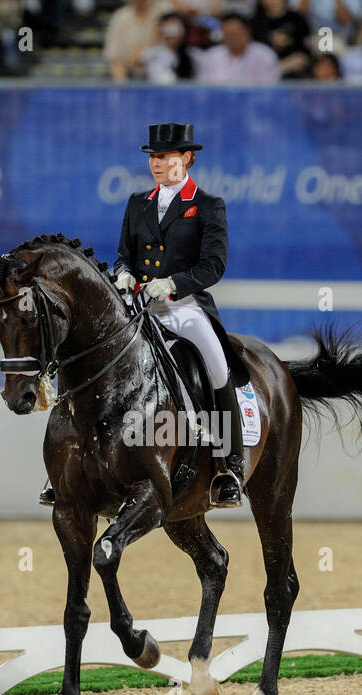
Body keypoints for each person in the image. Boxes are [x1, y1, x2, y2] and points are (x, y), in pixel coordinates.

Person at [40, 123, 243, 509]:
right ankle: (67, 466)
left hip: (183, 308)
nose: (156, 163)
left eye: (164, 156)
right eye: (152, 156)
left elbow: (213, 266)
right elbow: (123, 253)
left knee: (218, 369)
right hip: (136, 306)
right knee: (87, 359)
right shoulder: (139, 203)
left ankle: (227, 466)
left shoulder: (209, 206)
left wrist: (172, 284)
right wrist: (124, 273)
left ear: (186, 159)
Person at [195, 12, 280, 81]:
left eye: (236, 34)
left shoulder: (265, 55)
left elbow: (270, 89)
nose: (233, 38)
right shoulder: (211, 56)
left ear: (248, 32)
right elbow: (204, 89)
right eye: (228, 35)